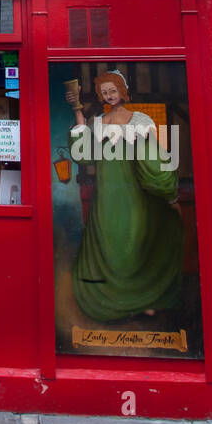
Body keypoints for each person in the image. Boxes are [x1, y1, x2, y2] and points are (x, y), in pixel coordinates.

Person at [66, 70, 182, 322]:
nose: (109, 96)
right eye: (104, 92)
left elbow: (155, 162)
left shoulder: (138, 121)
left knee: (133, 246)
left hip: (135, 198)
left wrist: (169, 195)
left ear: (123, 91)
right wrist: (78, 114)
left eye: (113, 90)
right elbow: (83, 156)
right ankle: (116, 304)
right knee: (112, 247)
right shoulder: (97, 122)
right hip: (106, 200)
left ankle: (143, 302)